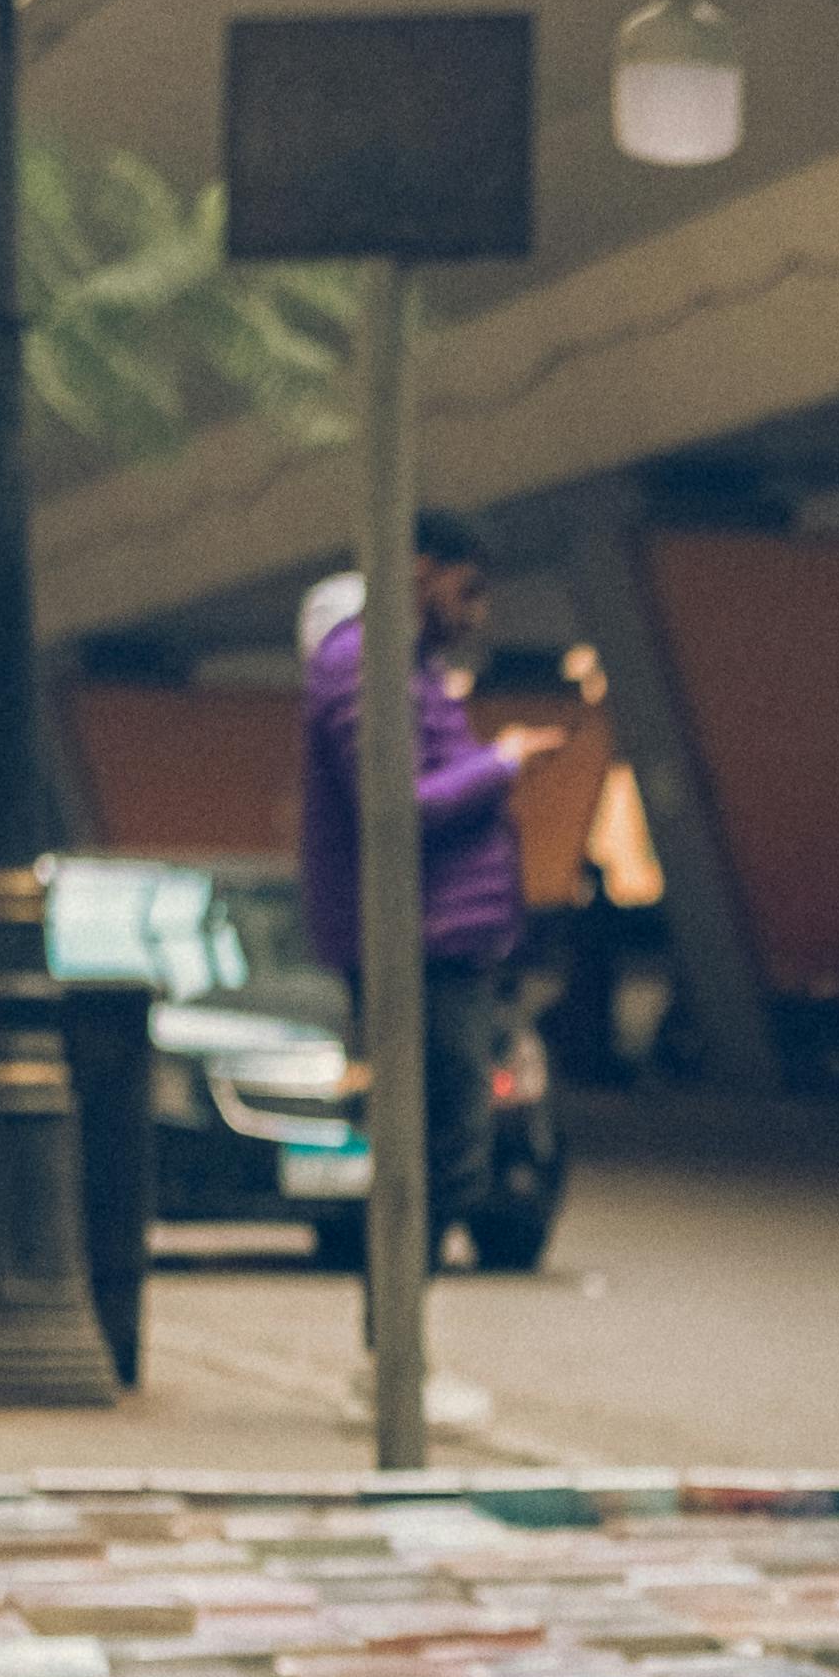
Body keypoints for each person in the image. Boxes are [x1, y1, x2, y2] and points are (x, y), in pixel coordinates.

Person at [299, 509, 564, 1267]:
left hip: (440, 942)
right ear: (420, 570)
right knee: (443, 1151)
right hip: (419, 944)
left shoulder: (404, 667)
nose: (477, 612)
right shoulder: (368, 663)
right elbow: (396, 805)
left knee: (443, 1147)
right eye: (467, 588)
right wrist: (503, 763)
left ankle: (396, 1356)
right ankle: (394, 1356)